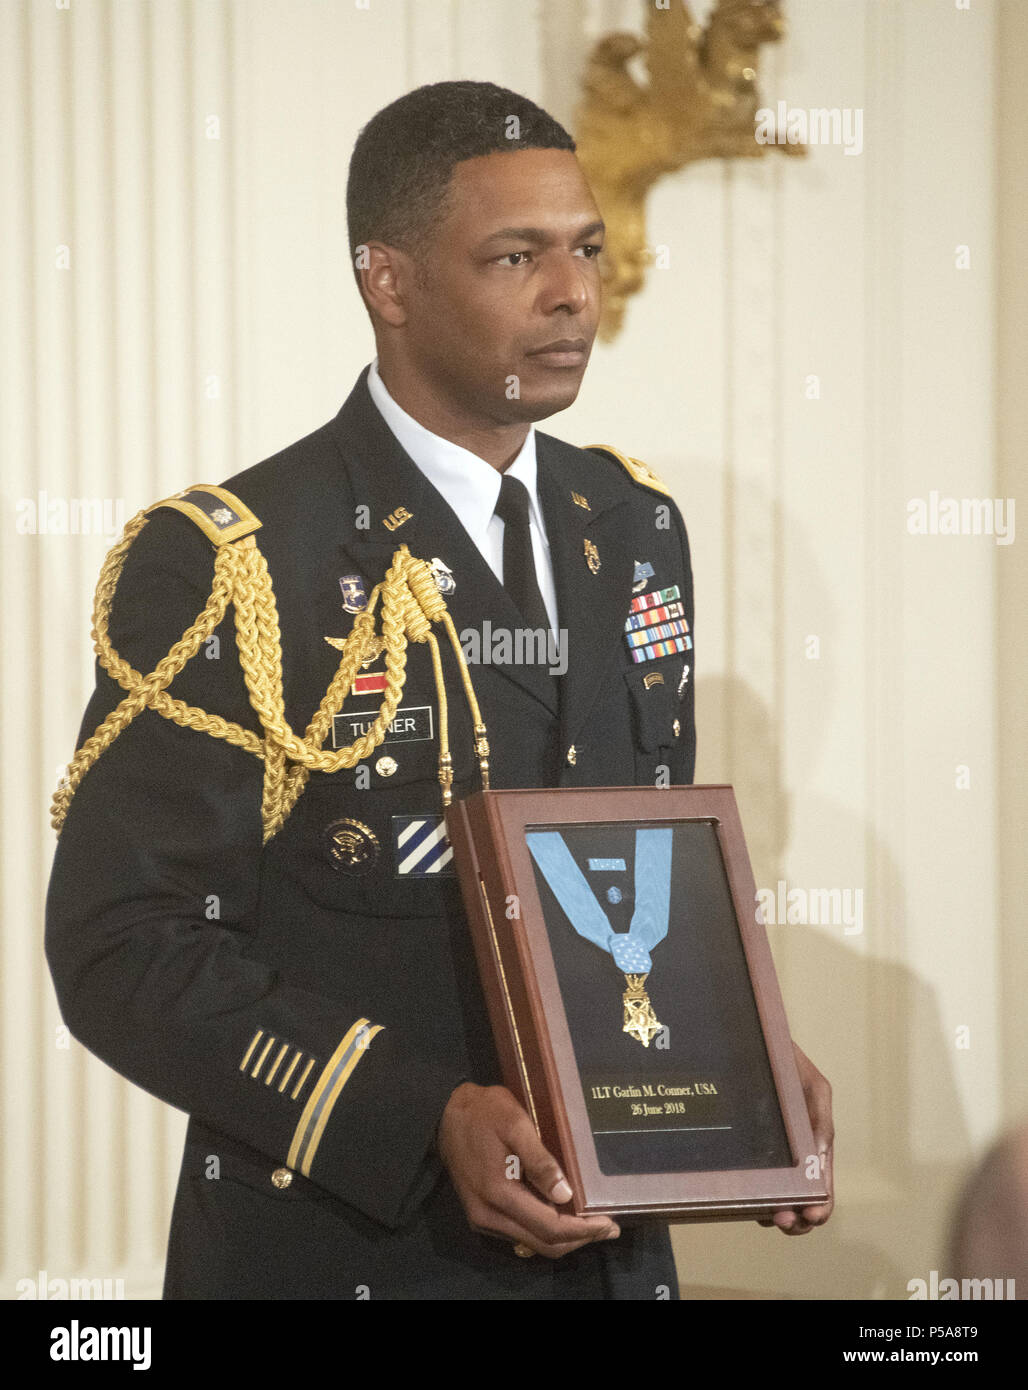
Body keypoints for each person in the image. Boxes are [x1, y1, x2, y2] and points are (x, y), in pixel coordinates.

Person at [45, 80, 833, 1300]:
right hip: (352, 1250)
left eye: (585, 251)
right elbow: (122, 949)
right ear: (389, 281)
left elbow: (630, 868)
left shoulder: (630, 527)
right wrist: (419, 1115)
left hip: (607, 1264)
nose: (572, 295)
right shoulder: (238, 559)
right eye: (515, 257)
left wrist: (732, 1062)